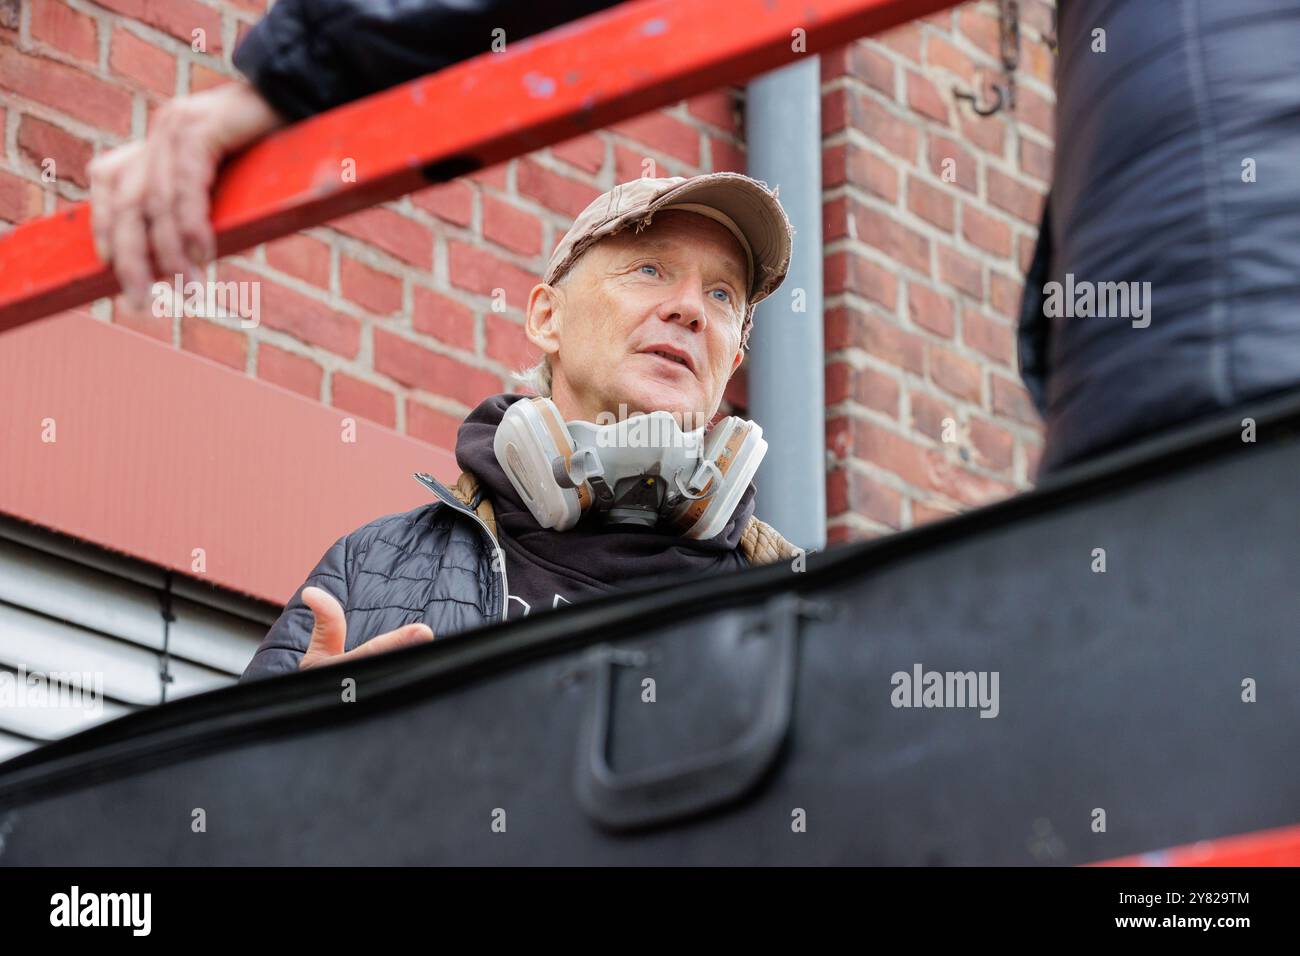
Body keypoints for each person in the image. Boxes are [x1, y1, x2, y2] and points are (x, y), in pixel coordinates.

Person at [242, 173, 800, 679]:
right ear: (546, 317)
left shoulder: (801, 614)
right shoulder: (367, 568)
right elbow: (238, 787)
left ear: (730, 363)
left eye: (721, 294)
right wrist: (305, 738)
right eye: (650, 269)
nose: (691, 309)